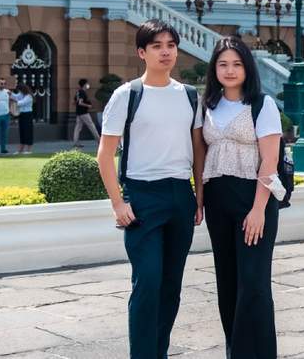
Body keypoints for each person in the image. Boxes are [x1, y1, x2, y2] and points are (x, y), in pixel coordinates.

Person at [97, 19, 205, 359]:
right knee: (148, 283)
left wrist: (198, 197)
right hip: (143, 197)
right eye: (157, 46)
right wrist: (118, 203)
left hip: (180, 196)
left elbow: (198, 150)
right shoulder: (127, 95)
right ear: (142, 52)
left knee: (171, 287)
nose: (165, 52)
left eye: (170, 45)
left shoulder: (189, 96)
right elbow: (104, 153)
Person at [200, 36, 283, 358]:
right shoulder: (207, 105)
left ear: (247, 68)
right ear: (214, 69)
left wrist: (259, 209)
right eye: (223, 64)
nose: (230, 70)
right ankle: (235, 351)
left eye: (236, 64)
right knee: (228, 281)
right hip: (217, 199)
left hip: (253, 197)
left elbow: (270, 160)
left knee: (253, 283)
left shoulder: (262, 104)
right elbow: (200, 153)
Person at [73, 78, 100, 148]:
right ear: (84, 85)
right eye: (87, 84)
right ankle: (99, 141)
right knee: (91, 126)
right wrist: (88, 105)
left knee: (78, 127)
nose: (88, 85)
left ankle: (76, 142)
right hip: (84, 113)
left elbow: (74, 102)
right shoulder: (82, 92)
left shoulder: (78, 92)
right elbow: (80, 102)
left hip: (79, 112)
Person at [12, 83, 35, 154]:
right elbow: (16, 97)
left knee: (28, 131)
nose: (19, 92)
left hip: (28, 115)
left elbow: (21, 103)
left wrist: (13, 100)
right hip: (21, 115)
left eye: (20, 90)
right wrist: (10, 94)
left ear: (23, 90)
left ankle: (29, 150)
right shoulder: (21, 94)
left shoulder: (29, 96)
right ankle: (21, 149)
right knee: (22, 131)